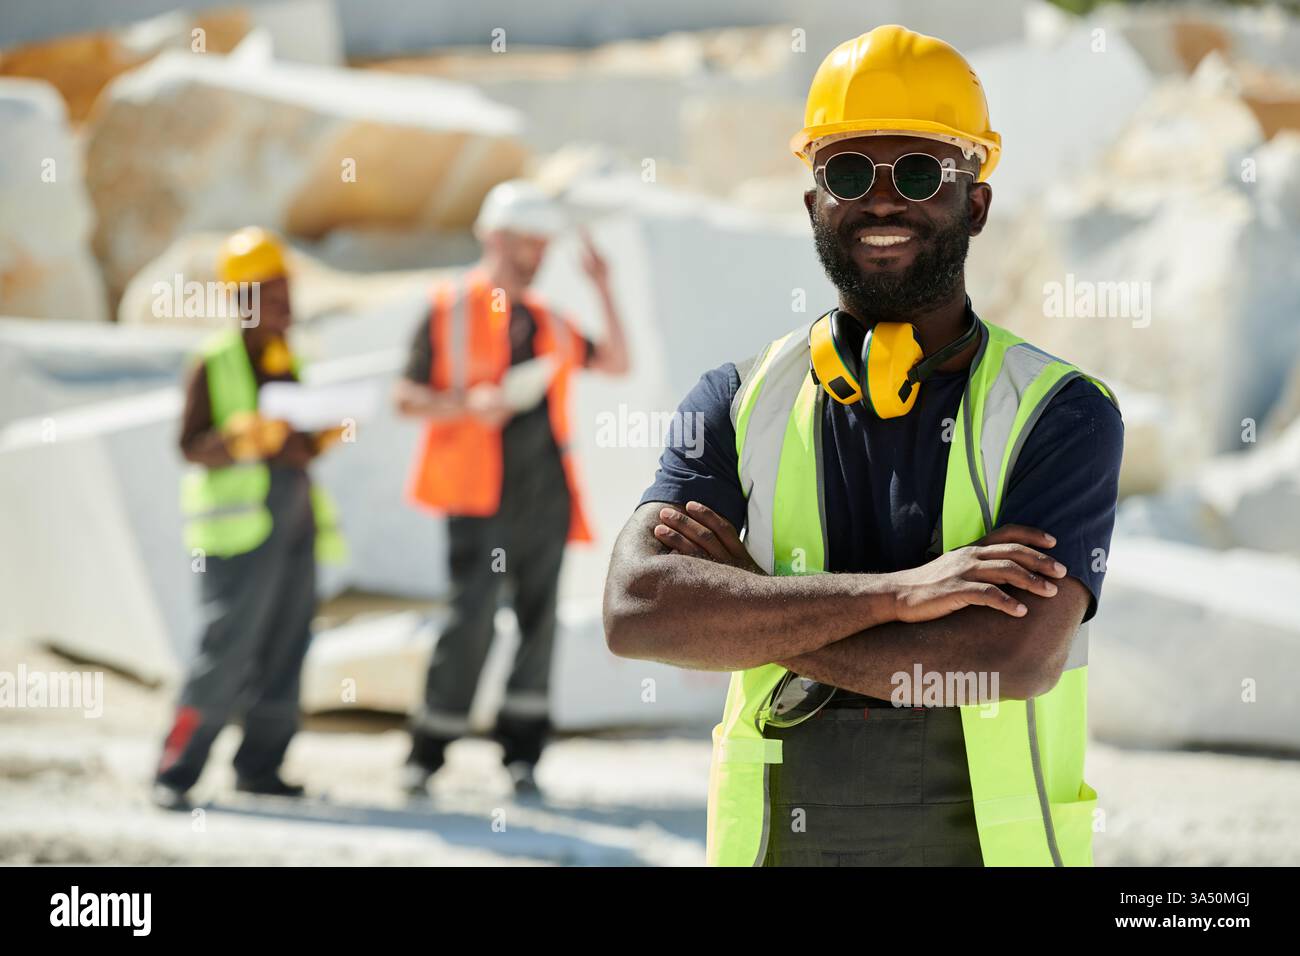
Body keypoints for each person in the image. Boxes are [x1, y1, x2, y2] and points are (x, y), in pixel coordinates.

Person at [603, 25, 1124, 866]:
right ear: (814, 203)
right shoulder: (733, 402)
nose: (883, 200)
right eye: (847, 172)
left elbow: (1014, 656)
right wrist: (902, 596)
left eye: (920, 172)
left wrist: (749, 606)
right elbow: (636, 611)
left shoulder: (1059, 412)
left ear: (976, 203)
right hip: (777, 842)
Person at [395, 180, 629, 796]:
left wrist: (603, 284)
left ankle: (522, 754)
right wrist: (469, 405)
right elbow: (405, 396)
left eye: (542, 246)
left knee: (538, 622)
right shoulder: (448, 307)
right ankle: (428, 751)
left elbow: (616, 362)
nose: (536, 256)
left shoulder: (548, 319)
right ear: (494, 238)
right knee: (469, 619)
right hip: (477, 496)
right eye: (526, 243)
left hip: (544, 495)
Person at [152, 227, 347, 811]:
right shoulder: (212, 361)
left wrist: (319, 437)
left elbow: (295, 445)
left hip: (292, 524)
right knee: (225, 654)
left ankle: (260, 767)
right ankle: (176, 770)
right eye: (276, 294)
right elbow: (188, 444)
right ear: (245, 300)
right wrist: (237, 441)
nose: (289, 305)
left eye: (289, 292)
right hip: (238, 533)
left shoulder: (289, 359)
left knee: (287, 646)